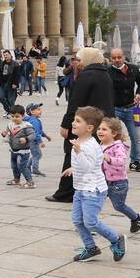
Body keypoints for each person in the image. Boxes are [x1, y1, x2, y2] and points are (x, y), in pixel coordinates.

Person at [47, 47, 115, 204]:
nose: (76, 62)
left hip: (85, 123)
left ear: (88, 59)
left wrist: (66, 124)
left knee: (72, 154)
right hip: (101, 122)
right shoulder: (105, 74)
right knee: (93, 156)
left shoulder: (86, 76)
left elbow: (75, 103)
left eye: (79, 59)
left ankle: (65, 193)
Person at [63, 106, 125, 262]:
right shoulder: (80, 142)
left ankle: (116, 239)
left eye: (78, 121)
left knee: (90, 221)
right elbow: (87, 164)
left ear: (89, 128)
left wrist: (78, 152)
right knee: (77, 220)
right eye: (74, 120)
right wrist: (73, 167)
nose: (73, 123)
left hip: (93, 190)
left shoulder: (89, 145)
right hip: (81, 188)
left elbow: (89, 167)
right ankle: (91, 248)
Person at [98, 116, 140, 234]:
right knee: (95, 202)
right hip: (102, 181)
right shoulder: (100, 145)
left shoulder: (118, 147)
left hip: (118, 183)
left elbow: (121, 161)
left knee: (118, 206)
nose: (99, 131)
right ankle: (90, 222)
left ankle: (136, 218)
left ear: (113, 133)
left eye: (104, 129)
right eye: (99, 129)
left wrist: (108, 158)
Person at [108, 47, 140, 172]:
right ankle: (112, 161)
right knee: (113, 136)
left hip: (131, 109)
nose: (117, 60)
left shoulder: (133, 69)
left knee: (136, 136)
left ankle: (135, 161)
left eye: (119, 57)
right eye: (114, 58)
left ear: (124, 57)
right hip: (115, 109)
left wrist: (139, 93)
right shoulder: (107, 71)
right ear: (110, 59)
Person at [3, 104, 36, 188]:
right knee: (14, 165)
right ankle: (16, 179)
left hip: (23, 150)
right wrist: (4, 134)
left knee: (23, 166)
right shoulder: (10, 124)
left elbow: (32, 135)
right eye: (12, 116)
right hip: (13, 149)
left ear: (23, 116)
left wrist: (26, 139)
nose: (14, 118)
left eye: (17, 116)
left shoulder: (26, 125)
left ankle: (30, 182)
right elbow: (7, 133)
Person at [25, 102, 51, 177]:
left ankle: (27, 167)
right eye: (38, 109)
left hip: (31, 141)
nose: (40, 111)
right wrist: (40, 142)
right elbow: (36, 133)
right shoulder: (34, 121)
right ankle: (35, 170)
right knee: (37, 155)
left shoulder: (33, 120)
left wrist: (45, 136)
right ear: (32, 112)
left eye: (40, 109)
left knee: (35, 154)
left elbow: (39, 131)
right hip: (33, 141)